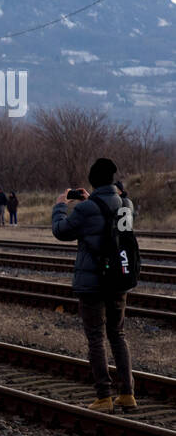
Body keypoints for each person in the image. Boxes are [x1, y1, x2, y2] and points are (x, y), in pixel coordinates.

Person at [50, 157, 135, 413]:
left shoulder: (87, 209)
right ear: (112, 179)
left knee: (96, 337)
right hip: (119, 280)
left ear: (93, 181)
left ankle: (103, 396)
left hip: (93, 283)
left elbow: (61, 231)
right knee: (118, 335)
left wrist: (59, 207)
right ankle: (127, 394)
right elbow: (119, 234)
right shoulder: (126, 205)